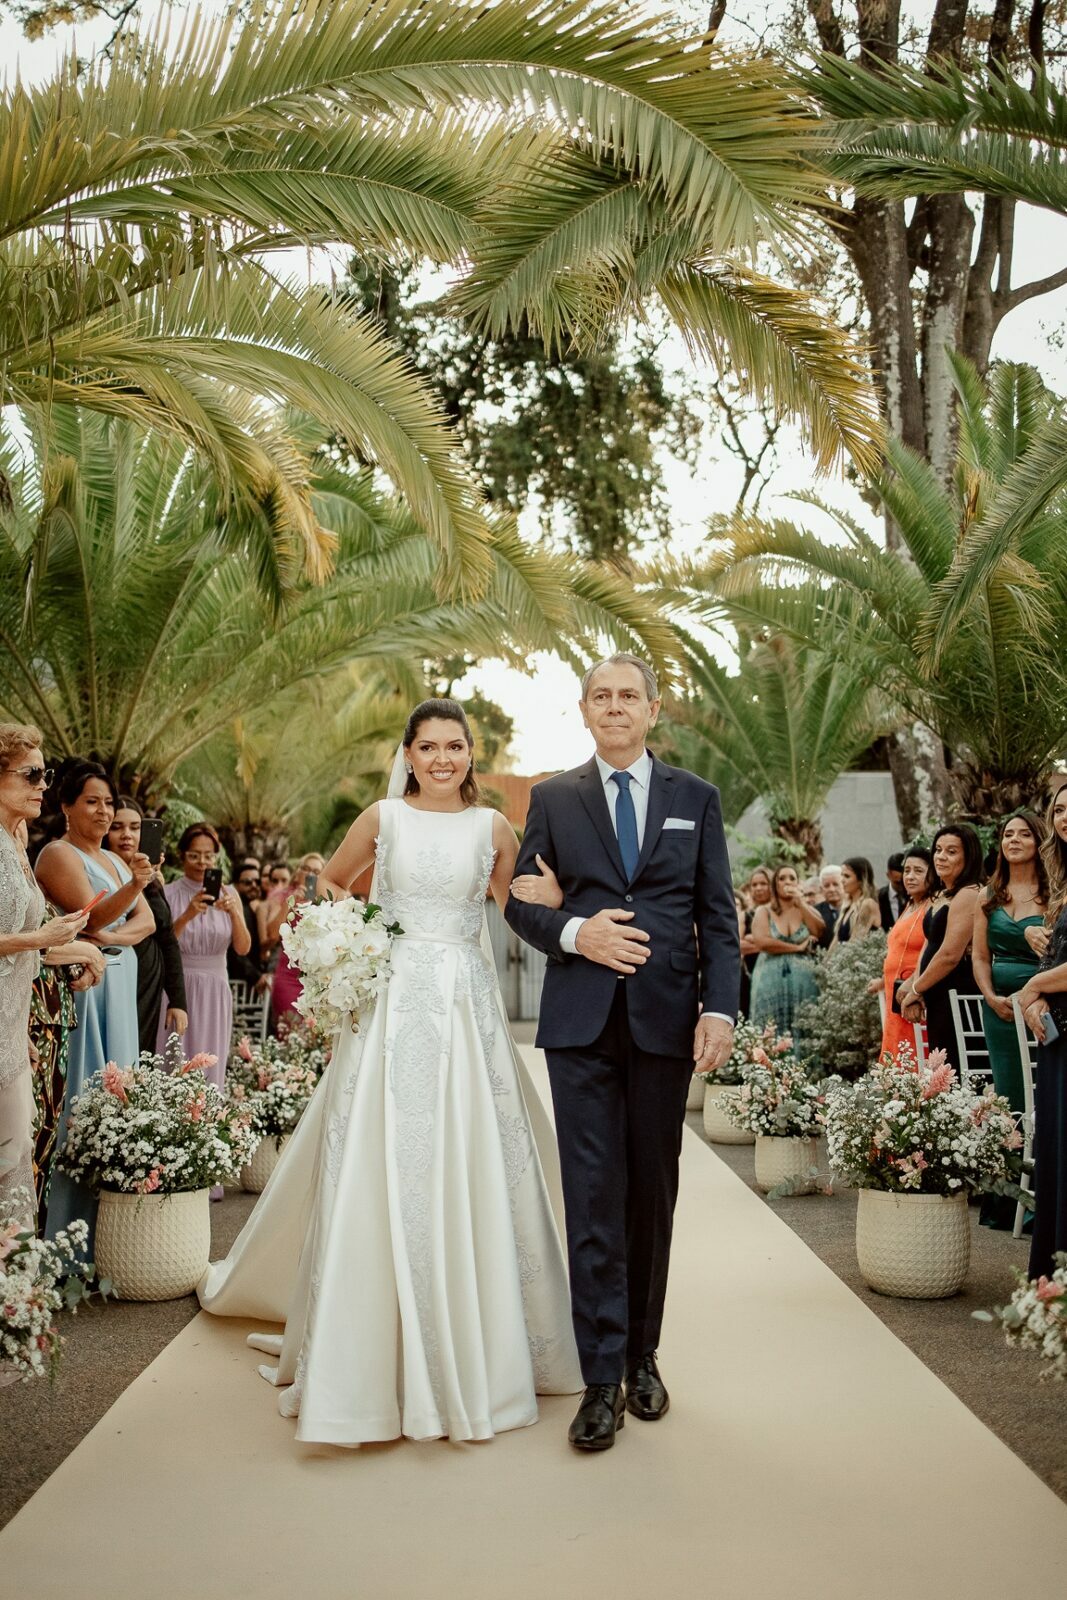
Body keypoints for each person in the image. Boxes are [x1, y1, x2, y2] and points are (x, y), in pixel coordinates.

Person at [199, 697, 580, 1442]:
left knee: (466, 1152)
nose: (442, 759)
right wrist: (355, 945)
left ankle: (483, 1342)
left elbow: (515, 908)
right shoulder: (384, 818)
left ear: (470, 754)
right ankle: (365, 1349)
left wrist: (558, 901)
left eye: (454, 746)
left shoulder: (493, 828)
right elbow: (334, 885)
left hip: (464, 1004)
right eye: (428, 746)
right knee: (385, 1154)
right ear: (407, 753)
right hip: (393, 1000)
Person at [505, 653, 740, 1453]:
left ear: (651, 709)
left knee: (650, 1194)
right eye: (600, 696)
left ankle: (644, 1356)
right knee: (592, 1195)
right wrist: (578, 930)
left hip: (665, 1022)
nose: (614, 707)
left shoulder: (694, 798)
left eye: (627, 696)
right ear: (583, 711)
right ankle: (600, 1377)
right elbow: (520, 906)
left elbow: (717, 916)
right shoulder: (552, 799)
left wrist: (719, 1009)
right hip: (580, 1025)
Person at [36, 760, 154, 1240]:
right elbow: (92, 915)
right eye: (92, 801)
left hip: (120, 977)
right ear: (66, 806)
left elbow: (146, 922)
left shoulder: (115, 861)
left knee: (120, 1092)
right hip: (86, 982)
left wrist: (111, 936)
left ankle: (115, 1237)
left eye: (108, 802)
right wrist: (132, 890)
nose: (104, 811)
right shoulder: (58, 854)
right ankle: (69, 1236)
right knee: (85, 1097)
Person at [0, 728, 92, 1227]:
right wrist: (42, 938)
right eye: (31, 775)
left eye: (45, 774)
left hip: (12, 1026)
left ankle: (13, 1268)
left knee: (16, 1149)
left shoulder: (17, 842)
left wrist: (19, 1034)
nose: (43, 786)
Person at [161, 824, 250, 1194]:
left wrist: (235, 914)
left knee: (211, 1072)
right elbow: (163, 944)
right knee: (174, 1068)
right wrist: (186, 914)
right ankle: (168, 1166)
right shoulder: (169, 892)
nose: (202, 862)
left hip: (215, 989)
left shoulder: (230, 894)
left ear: (217, 858)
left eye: (209, 856)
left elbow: (243, 949)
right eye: (194, 855)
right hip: (179, 989)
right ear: (182, 856)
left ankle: (206, 1173)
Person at [972, 811, 1047, 1230]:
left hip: (1044, 1005)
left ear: (1039, 840)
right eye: (1007, 834)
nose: (1013, 840)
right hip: (999, 1008)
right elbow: (980, 957)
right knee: (1009, 1099)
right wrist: (990, 996)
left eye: (1023, 834)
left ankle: (1041, 1199)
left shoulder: (1054, 892)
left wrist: (1034, 993)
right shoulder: (989, 894)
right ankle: (1007, 1201)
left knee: (1043, 1096)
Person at [1017, 782, 1067, 1279]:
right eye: (1059, 809)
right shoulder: (1062, 883)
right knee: (1055, 1144)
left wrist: (1033, 986)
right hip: (1058, 1035)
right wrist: (1037, 1000)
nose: (1065, 817)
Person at [108, 798, 188, 1057]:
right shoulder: (100, 873)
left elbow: (168, 939)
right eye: (117, 827)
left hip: (149, 984)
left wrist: (177, 1000)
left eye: (135, 827)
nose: (126, 835)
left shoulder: (152, 879)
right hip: (117, 979)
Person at [898, 824, 984, 1060]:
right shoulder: (943, 894)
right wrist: (914, 982)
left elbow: (949, 955)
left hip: (957, 991)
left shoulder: (970, 893)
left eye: (951, 851)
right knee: (941, 1066)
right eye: (938, 850)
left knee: (958, 1064)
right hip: (937, 992)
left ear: (969, 857)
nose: (941, 857)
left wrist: (917, 989)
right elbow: (930, 943)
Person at [867, 846, 935, 1062]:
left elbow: (932, 951)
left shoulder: (933, 906)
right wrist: (882, 981)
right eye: (907, 871)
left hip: (913, 993)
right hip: (893, 992)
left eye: (918, 871)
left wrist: (915, 986)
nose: (910, 876)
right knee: (895, 1054)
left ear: (933, 873)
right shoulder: (911, 904)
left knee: (914, 1056)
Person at [747, 864, 824, 1038]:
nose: (787, 882)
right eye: (782, 878)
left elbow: (819, 930)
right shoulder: (764, 911)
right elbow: (762, 942)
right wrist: (796, 948)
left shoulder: (805, 910)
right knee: (770, 1025)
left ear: (798, 883)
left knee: (805, 1025)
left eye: (792, 878)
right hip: (769, 978)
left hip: (804, 979)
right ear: (775, 884)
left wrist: (801, 903)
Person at [228, 859, 269, 997]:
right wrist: (255, 976)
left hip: (249, 989)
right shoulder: (231, 910)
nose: (254, 886)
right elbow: (233, 950)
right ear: (235, 884)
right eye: (247, 882)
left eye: (257, 882)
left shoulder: (252, 909)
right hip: (235, 986)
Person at [828, 857, 881, 949]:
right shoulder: (847, 905)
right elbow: (836, 941)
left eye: (847, 876)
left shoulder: (868, 904)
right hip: (843, 956)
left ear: (861, 880)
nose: (842, 880)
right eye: (842, 875)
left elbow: (855, 942)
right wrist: (826, 958)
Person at [739, 865, 772, 1009]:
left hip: (776, 973)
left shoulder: (780, 913)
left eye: (763, 883)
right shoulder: (745, 916)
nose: (758, 888)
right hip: (750, 974)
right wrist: (767, 944)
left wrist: (752, 938)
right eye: (754, 885)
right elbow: (737, 945)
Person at [814, 863, 843, 948]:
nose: (831, 889)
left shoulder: (857, 909)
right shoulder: (815, 913)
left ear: (844, 884)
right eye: (827, 886)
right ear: (821, 889)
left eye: (836, 884)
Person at [878, 852, 907, 931]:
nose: (902, 887)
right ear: (888, 875)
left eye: (904, 882)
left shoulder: (914, 896)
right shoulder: (879, 897)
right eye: (898, 883)